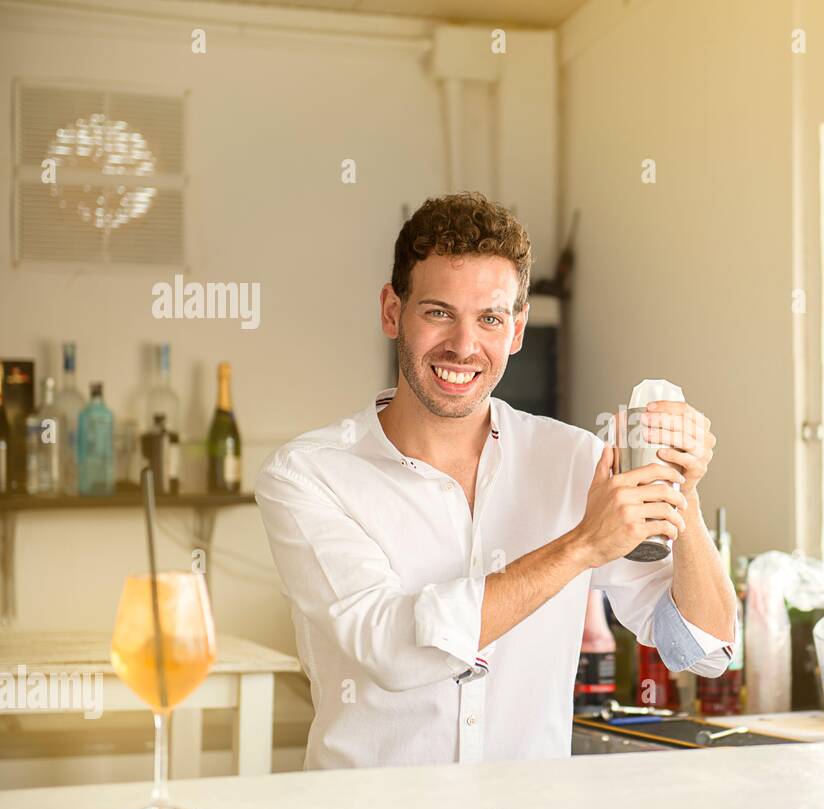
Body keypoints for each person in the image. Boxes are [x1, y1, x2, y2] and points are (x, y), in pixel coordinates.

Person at [255, 192, 736, 768]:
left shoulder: (574, 460)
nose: (464, 345)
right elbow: (392, 650)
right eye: (438, 312)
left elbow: (700, 646)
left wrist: (682, 487)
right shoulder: (309, 475)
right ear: (392, 311)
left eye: (489, 318)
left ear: (517, 329)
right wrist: (582, 545)